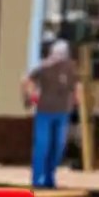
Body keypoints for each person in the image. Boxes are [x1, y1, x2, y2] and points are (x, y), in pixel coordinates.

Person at [23, 39, 81, 188]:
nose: (59, 56)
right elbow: (27, 80)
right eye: (57, 53)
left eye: (62, 53)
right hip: (44, 111)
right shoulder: (43, 67)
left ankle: (50, 177)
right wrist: (30, 98)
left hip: (63, 112)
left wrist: (76, 101)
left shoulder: (70, 67)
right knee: (43, 145)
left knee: (58, 146)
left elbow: (76, 85)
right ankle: (37, 179)